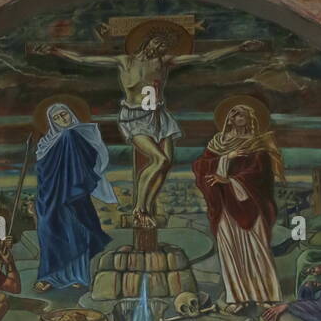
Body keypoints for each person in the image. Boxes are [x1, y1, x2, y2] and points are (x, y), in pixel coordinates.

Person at [32, 30, 263, 227]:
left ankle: (148, 207)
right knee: (159, 160)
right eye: (158, 42)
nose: (161, 47)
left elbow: (203, 57)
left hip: (159, 116)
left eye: (165, 45)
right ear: (148, 42)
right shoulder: (126, 61)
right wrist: (56, 51)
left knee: (166, 164)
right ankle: (139, 208)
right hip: (134, 118)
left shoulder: (164, 62)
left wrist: (238, 47)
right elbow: (85, 60)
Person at [193, 104, 284, 312]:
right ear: (228, 120)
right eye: (233, 113)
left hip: (250, 203)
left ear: (250, 118)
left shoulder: (256, 143)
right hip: (225, 205)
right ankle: (238, 297)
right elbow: (200, 167)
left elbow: (260, 174)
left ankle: (265, 295)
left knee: (257, 248)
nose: (237, 115)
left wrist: (228, 180)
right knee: (231, 250)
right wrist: (226, 158)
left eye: (242, 112)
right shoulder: (217, 142)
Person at [33, 103, 115, 292]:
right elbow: (43, 171)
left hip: (72, 194)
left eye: (64, 115)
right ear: (51, 122)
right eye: (57, 118)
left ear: (71, 114)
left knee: (76, 231)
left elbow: (89, 159)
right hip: (49, 197)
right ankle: (48, 277)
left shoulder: (76, 135)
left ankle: (78, 275)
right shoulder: (45, 143)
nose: (62, 120)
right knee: (49, 231)